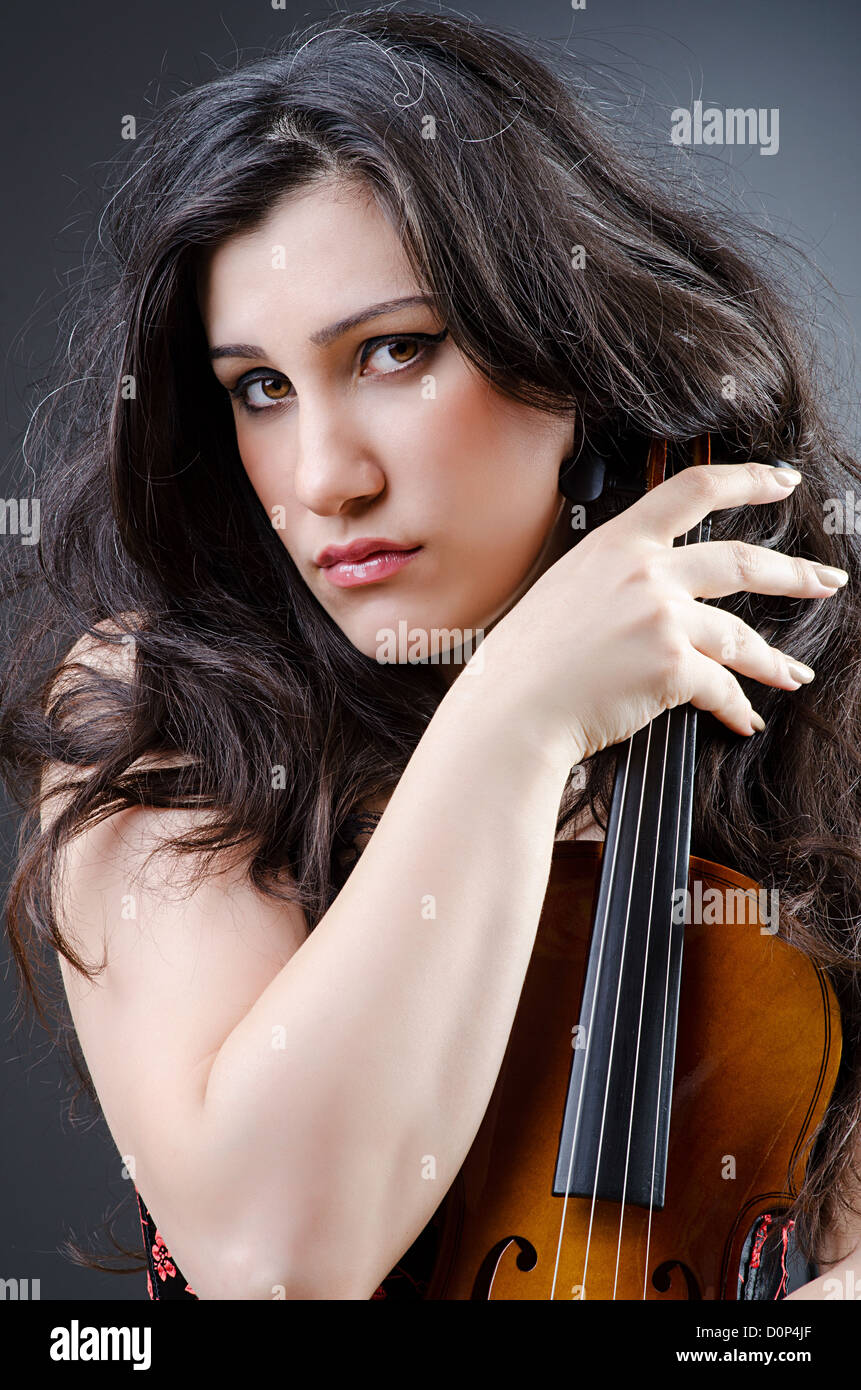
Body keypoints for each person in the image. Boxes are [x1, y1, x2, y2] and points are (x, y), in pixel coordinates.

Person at [2, 8, 860, 1302]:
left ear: (562, 343)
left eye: (394, 350)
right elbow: (276, 1261)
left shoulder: (818, 690)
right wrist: (516, 710)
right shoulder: (162, 708)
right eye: (259, 388)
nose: (321, 477)